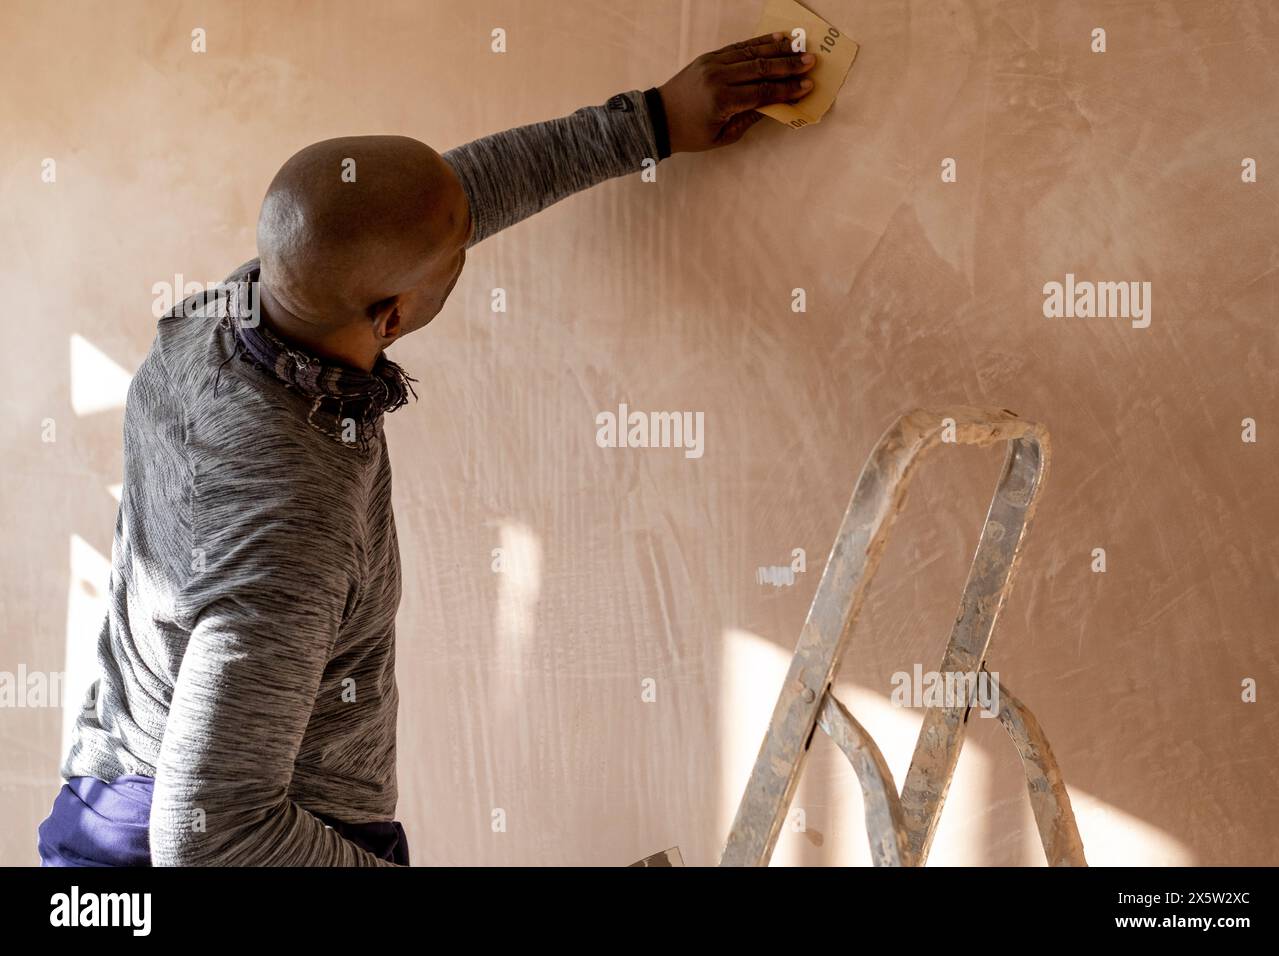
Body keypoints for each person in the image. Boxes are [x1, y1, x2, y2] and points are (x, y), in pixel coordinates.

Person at [38, 33, 816, 866]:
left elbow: (436, 199)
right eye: (455, 257)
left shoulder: (224, 313)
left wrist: (653, 121)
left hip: (116, 792)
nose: (466, 247)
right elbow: (217, 831)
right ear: (392, 318)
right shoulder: (295, 515)